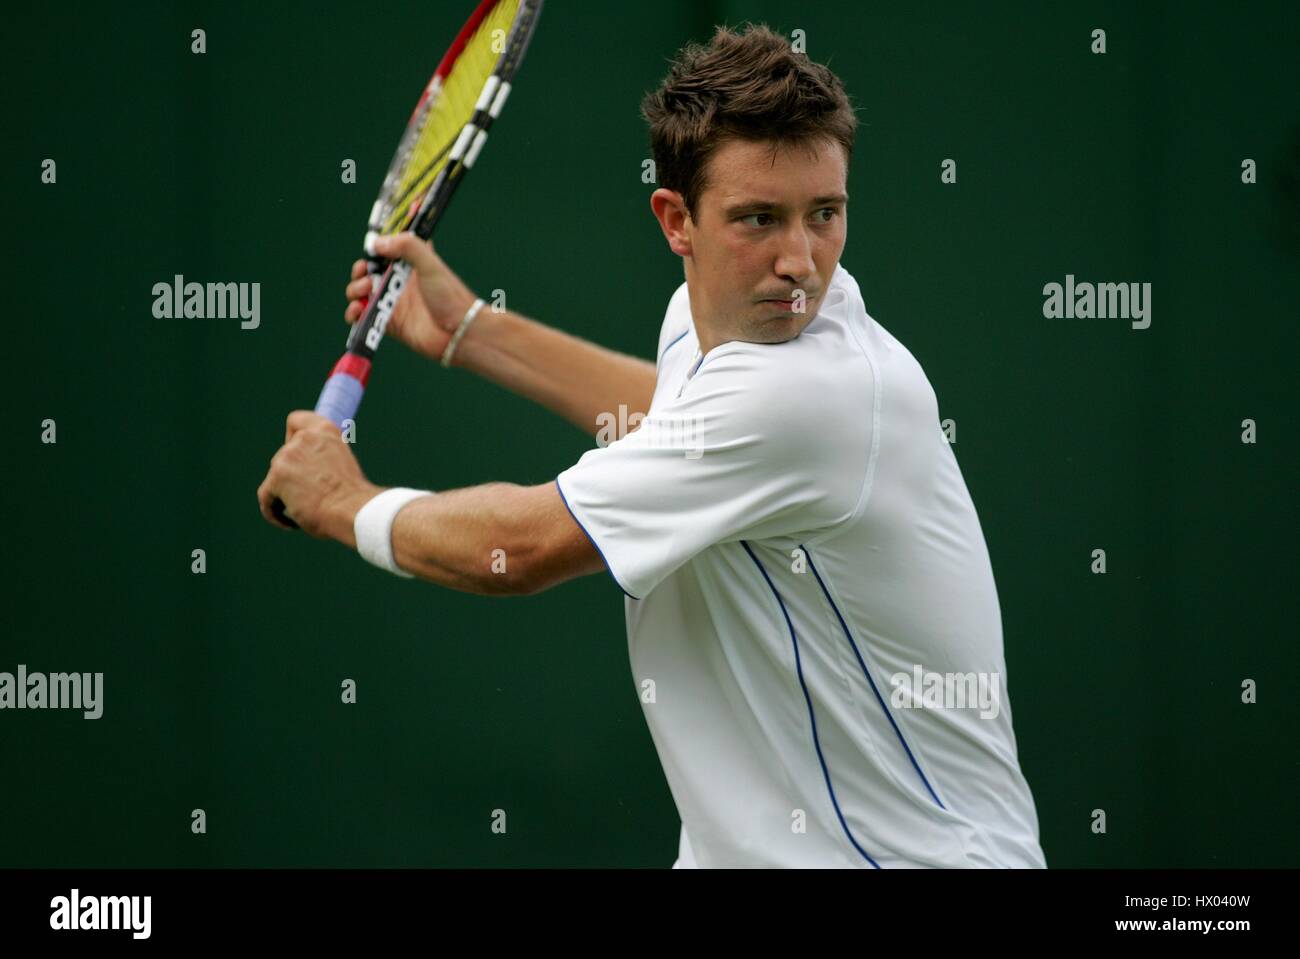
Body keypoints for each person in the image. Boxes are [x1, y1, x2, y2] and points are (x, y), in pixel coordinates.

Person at [257, 22, 1046, 869]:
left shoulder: (810, 389)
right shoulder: (725, 339)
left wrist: (343, 502)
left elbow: (515, 549)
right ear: (677, 222)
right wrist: (471, 332)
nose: (801, 262)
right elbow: (684, 428)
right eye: (759, 219)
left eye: (826, 214)